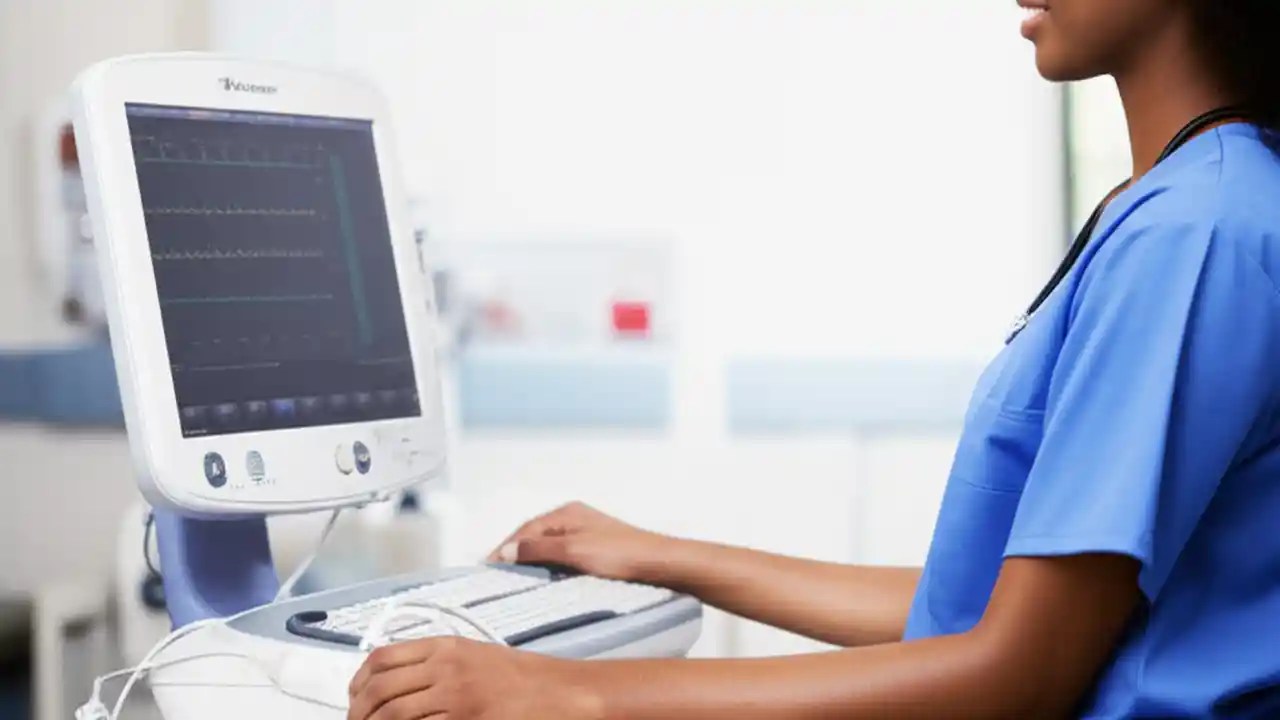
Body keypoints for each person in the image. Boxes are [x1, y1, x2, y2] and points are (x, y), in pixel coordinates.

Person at [348, 1, 1280, 717]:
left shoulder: (1196, 234)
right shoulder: (1185, 206)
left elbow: (1016, 674)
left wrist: (569, 692)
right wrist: (673, 559)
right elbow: (983, 610)